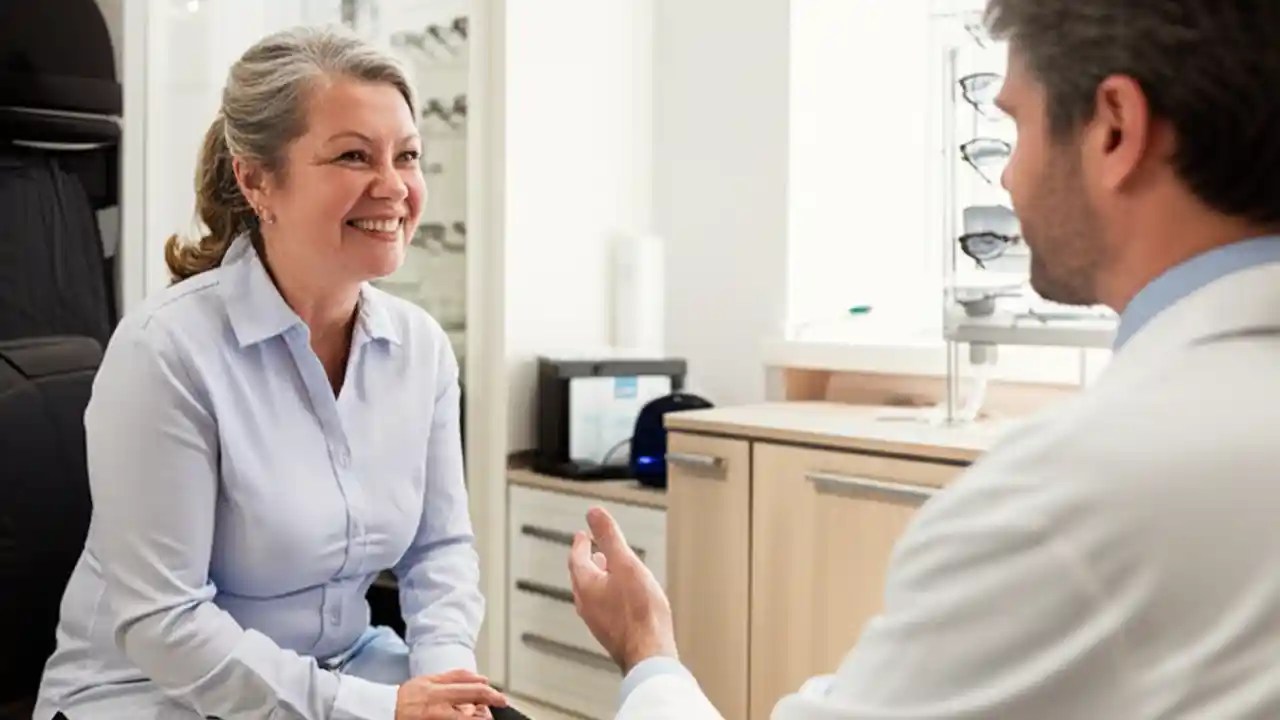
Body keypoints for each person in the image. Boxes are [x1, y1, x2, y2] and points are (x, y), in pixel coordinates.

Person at [570, 1, 1280, 718]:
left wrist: (647, 651)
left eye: (1015, 124)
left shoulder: (1074, 493)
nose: (1008, 180)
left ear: (1115, 128)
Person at [35, 27, 515, 720]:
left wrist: (447, 689)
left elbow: (439, 554)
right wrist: (378, 712)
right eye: (353, 155)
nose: (393, 187)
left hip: (347, 672)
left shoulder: (421, 350)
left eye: (406, 156)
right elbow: (165, 624)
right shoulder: (166, 353)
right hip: (152, 695)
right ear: (257, 180)